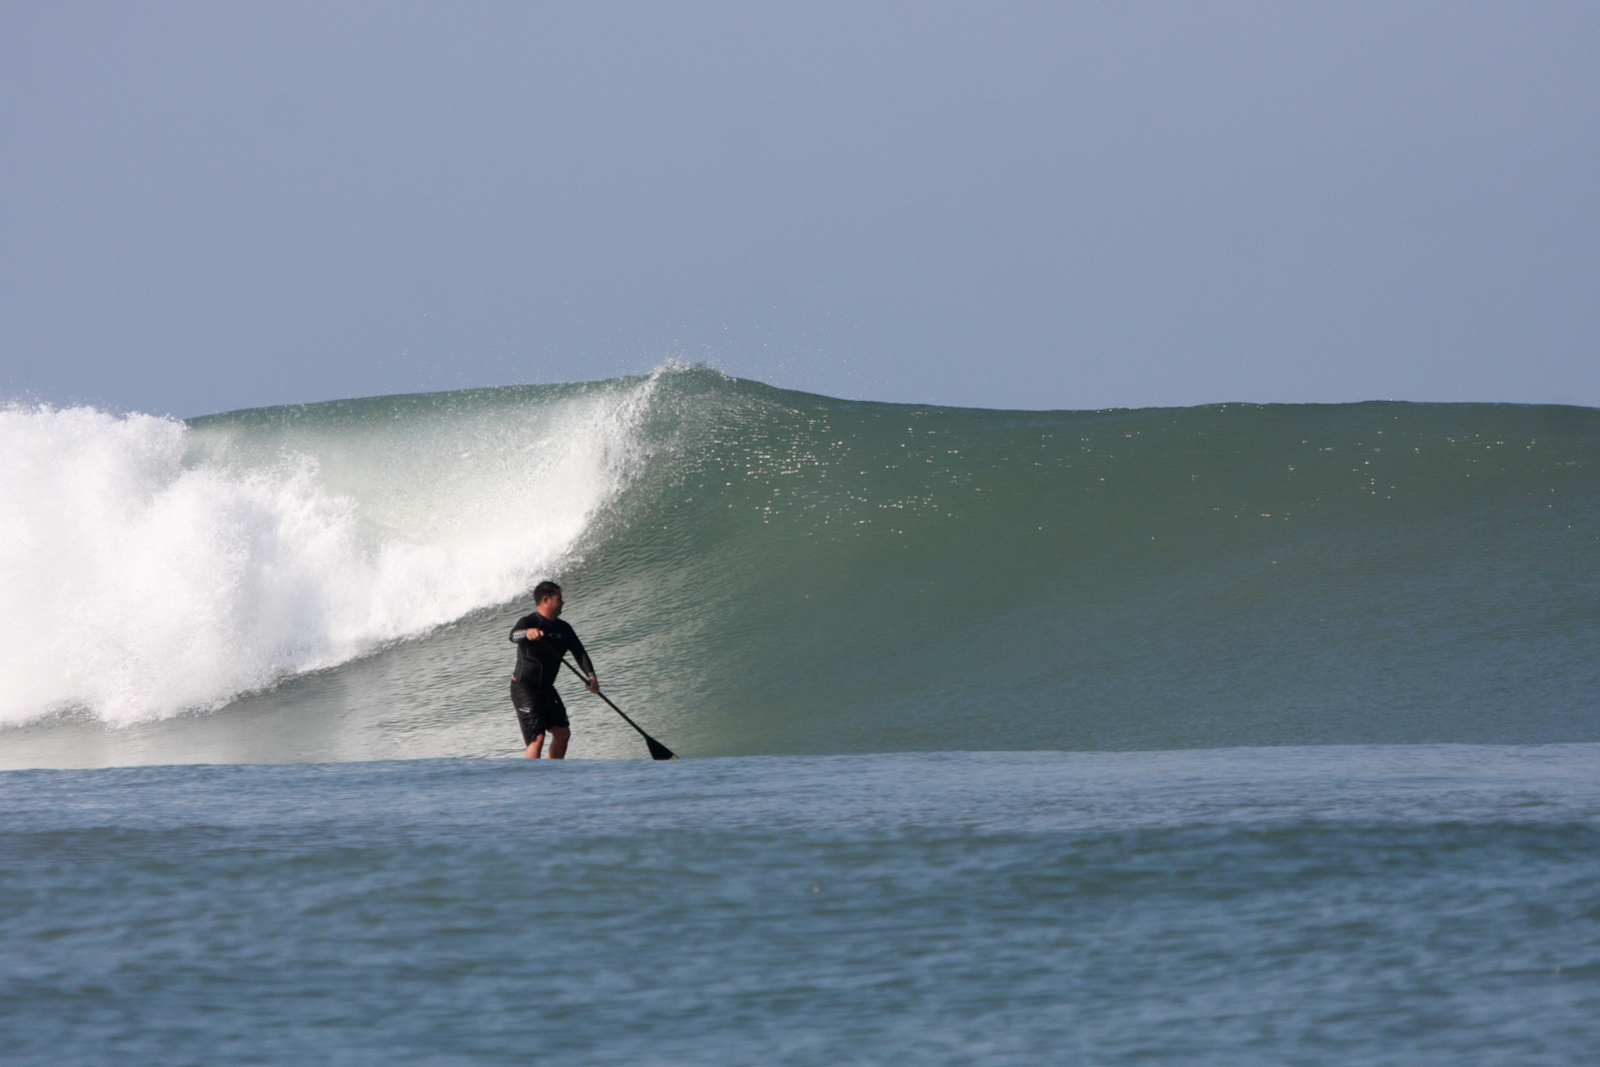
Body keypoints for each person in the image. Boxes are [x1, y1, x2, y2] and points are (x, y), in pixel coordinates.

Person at [508, 580, 599, 759]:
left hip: (546, 689)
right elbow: (513, 636)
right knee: (538, 738)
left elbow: (580, 653)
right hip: (524, 687)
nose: (563, 602)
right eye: (559, 598)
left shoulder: (563, 629)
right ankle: (532, 782)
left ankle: (552, 775)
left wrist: (592, 678)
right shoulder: (529, 621)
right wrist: (527, 633)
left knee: (563, 733)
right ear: (546, 600)